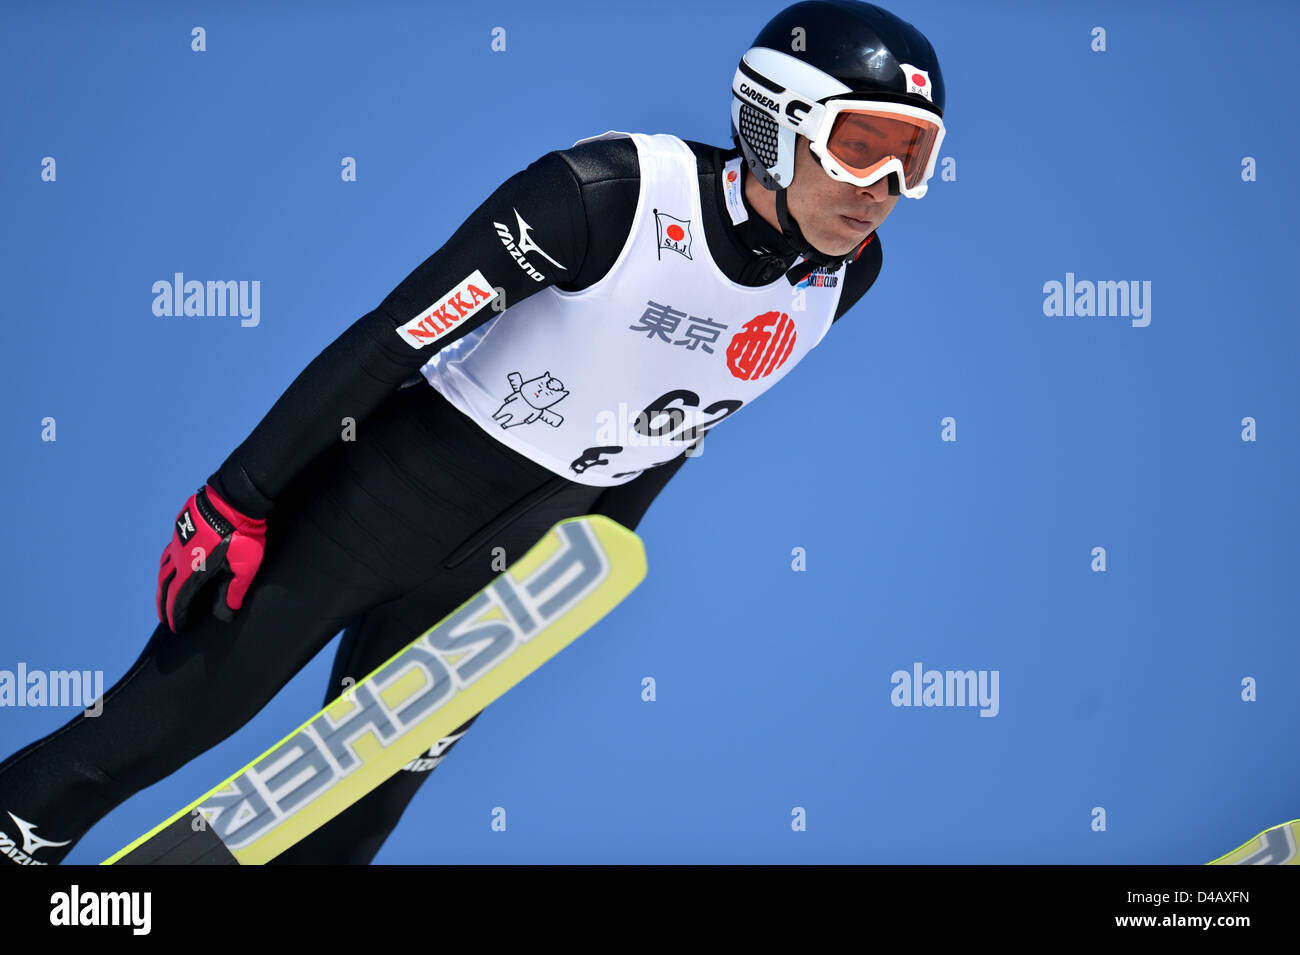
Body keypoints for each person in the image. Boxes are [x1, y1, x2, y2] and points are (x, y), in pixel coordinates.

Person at [0, 0, 946, 865]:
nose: (882, 186)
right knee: (144, 735)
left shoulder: (842, 280)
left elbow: (680, 422)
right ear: (773, 123)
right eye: (861, 145)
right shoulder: (606, 196)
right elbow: (389, 337)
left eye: (913, 157)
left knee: (346, 823)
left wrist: (582, 571)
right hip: (373, 503)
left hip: (509, 574)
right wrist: (236, 499)